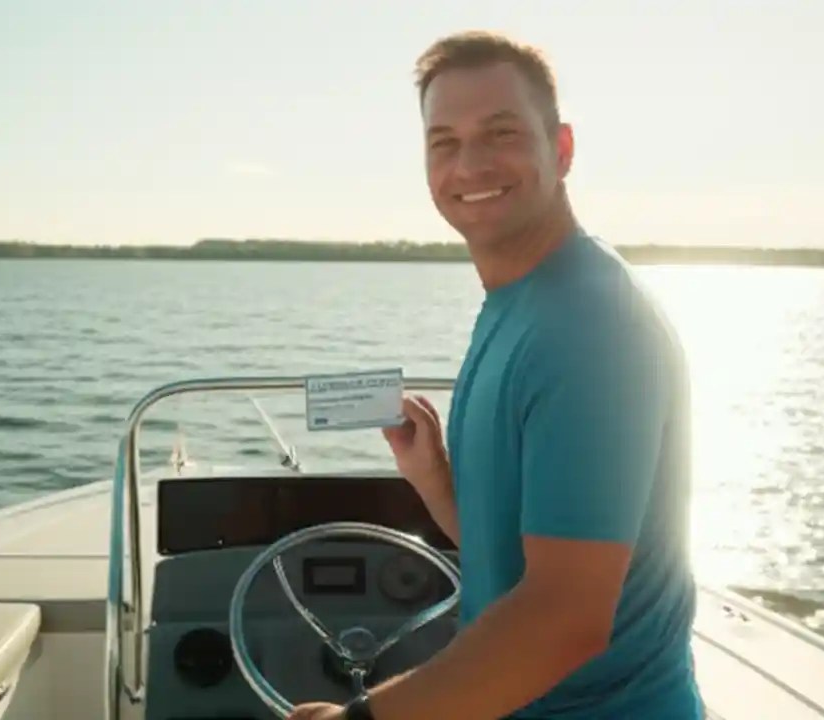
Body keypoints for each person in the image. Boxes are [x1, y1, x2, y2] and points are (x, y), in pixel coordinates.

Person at [288, 30, 703, 720]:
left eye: (500, 132)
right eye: (443, 141)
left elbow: (563, 617)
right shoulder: (517, 303)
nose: (469, 164)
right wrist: (436, 481)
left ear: (561, 149)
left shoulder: (588, 325)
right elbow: (516, 562)